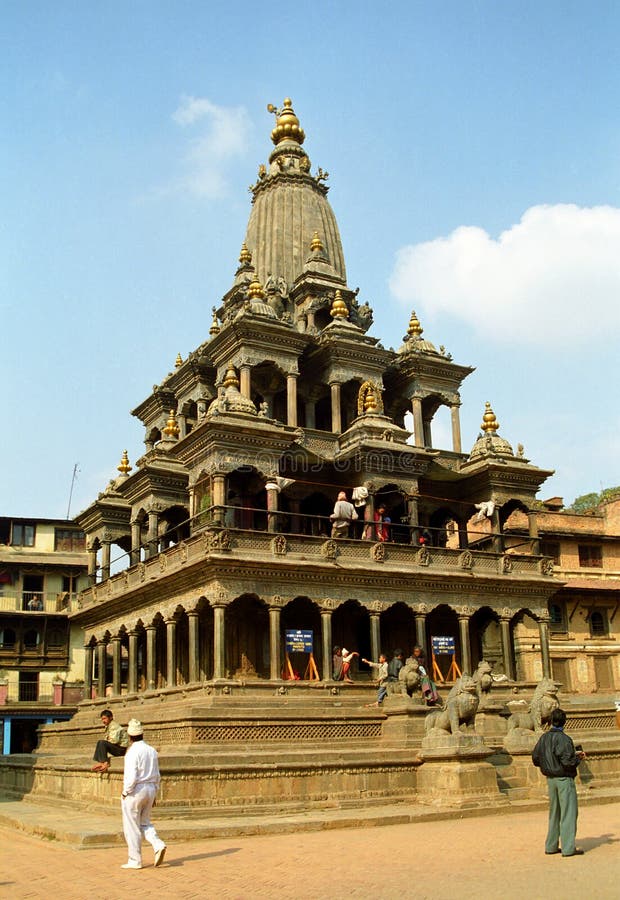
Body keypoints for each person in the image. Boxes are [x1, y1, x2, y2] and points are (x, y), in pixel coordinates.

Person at [532, 707, 587, 857]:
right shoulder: (564, 739)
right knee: (568, 813)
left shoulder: (543, 738)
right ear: (564, 722)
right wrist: (578, 758)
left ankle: (551, 846)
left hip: (551, 780)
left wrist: (548, 764)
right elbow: (568, 762)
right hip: (564, 779)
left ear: (550, 721)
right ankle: (568, 848)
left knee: (554, 813)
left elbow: (536, 758)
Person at [120, 718, 167, 870]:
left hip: (136, 790)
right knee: (145, 822)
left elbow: (131, 776)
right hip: (150, 788)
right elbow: (157, 774)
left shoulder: (132, 752)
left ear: (130, 736)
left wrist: (125, 792)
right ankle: (157, 844)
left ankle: (135, 859)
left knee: (132, 826)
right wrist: (155, 791)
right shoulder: (151, 750)